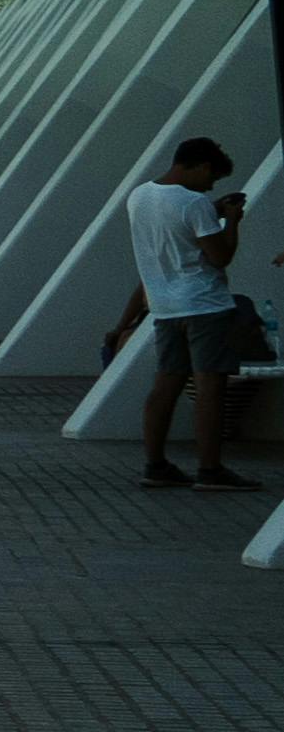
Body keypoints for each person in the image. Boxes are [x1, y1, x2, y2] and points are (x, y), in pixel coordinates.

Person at [127, 137, 261, 494]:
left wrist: (212, 209)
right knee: (210, 387)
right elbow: (220, 257)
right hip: (204, 305)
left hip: (165, 306)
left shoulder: (139, 195)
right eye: (211, 178)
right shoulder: (195, 202)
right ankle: (210, 469)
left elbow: (175, 227)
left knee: (165, 384)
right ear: (200, 165)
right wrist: (231, 221)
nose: (211, 186)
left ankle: (155, 465)